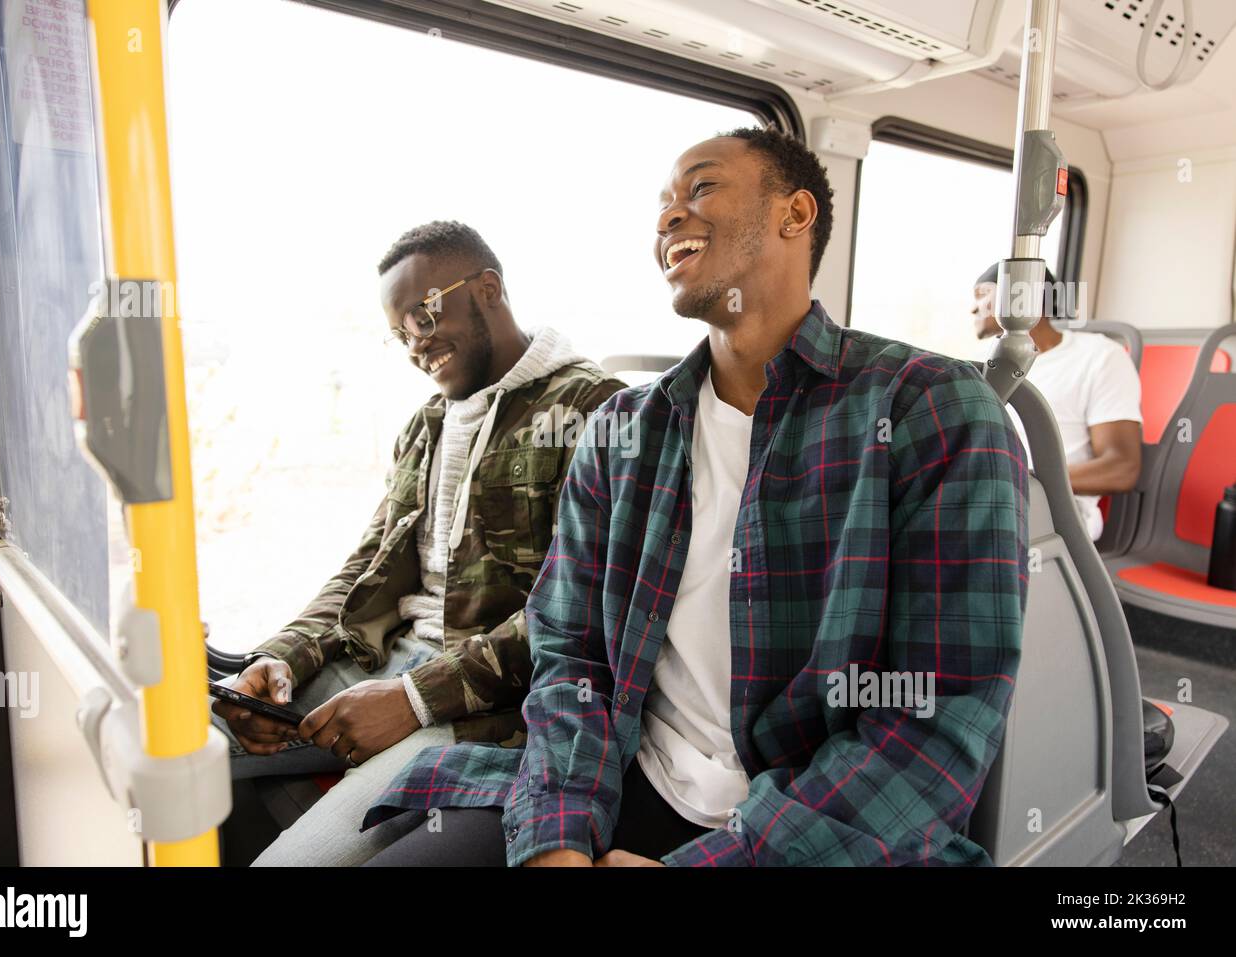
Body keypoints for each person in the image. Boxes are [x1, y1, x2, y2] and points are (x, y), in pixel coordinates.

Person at [356, 127, 1030, 867]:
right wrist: (558, 832)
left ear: (795, 214)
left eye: (701, 188)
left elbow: (934, 721)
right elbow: (573, 658)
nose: (669, 216)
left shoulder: (930, 411)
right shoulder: (622, 432)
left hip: (821, 829)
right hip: (628, 783)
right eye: (663, 205)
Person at [210, 220, 625, 865]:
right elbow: (365, 568)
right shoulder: (427, 424)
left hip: (484, 708)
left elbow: (580, 615)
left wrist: (412, 700)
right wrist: (280, 658)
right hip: (380, 660)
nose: (415, 343)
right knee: (181, 741)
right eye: (400, 332)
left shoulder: (594, 411)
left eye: (423, 315)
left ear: (488, 289)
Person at [973, 264, 1142, 541]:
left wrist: (1020, 480)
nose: (974, 308)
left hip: (1054, 512)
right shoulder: (984, 363)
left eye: (982, 295)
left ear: (1023, 298)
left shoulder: (1099, 356)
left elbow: (1121, 468)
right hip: (992, 495)